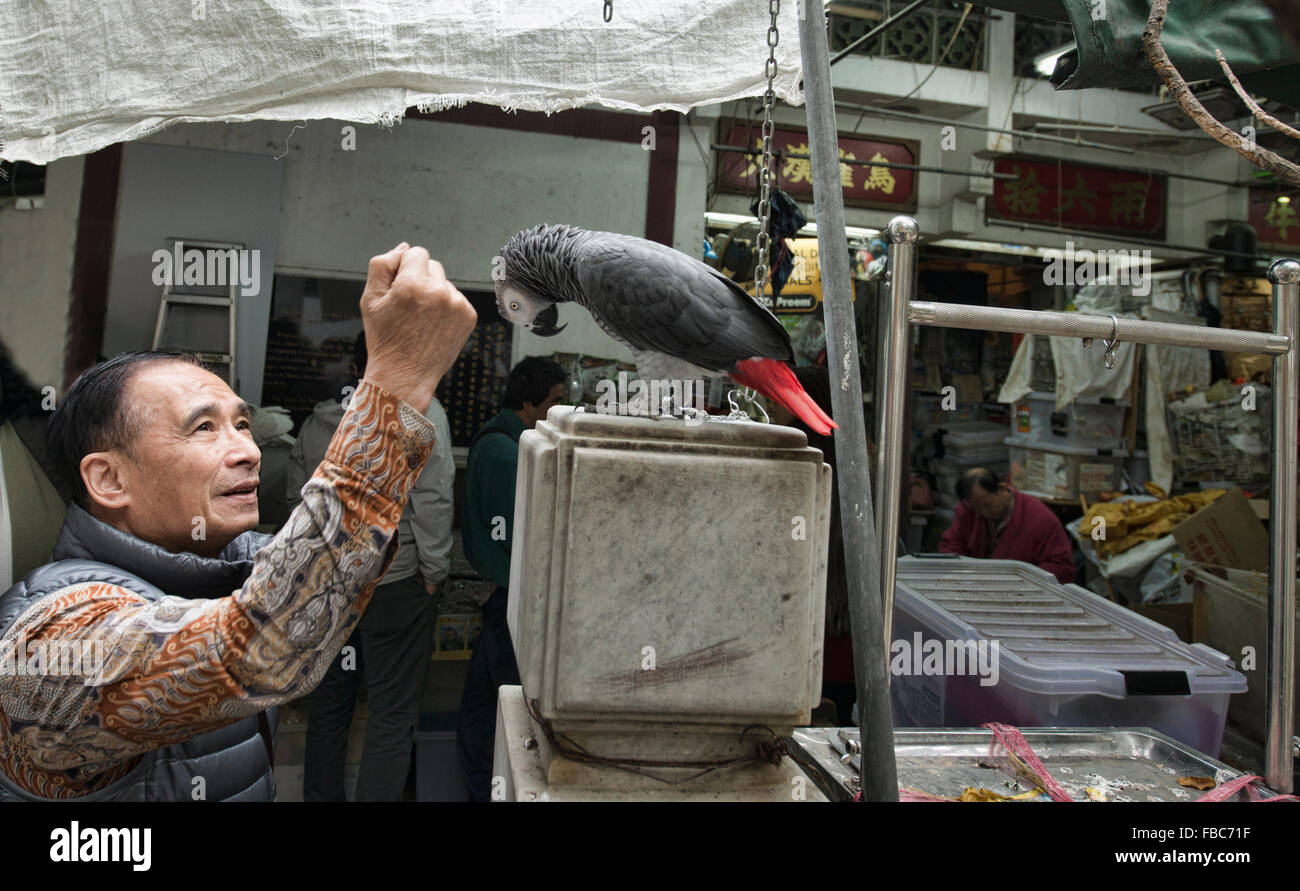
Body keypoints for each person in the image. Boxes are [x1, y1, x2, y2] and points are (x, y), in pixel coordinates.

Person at [0, 243, 477, 800]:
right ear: (109, 480)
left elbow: (310, 579)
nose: (248, 450)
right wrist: (395, 387)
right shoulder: (52, 640)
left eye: (243, 424)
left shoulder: (233, 568)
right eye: (203, 428)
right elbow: (257, 648)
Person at [291, 330, 456, 801]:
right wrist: (434, 572)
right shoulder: (423, 415)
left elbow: (296, 503)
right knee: (391, 715)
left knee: (328, 709)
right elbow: (432, 501)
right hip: (394, 582)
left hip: (327, 585)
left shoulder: (319, 421)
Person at [456, 356, 565, 801]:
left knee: (486, 703)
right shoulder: (505, 453)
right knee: (509, 710)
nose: (563, 408)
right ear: (529, 401)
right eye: (555, 400)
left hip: (503, 593)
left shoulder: (503, 440)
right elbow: (520, 536)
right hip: (508, 595)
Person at [939, 467, 1076, 584]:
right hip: (975, 584)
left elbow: (1060, 566)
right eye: (977, 508)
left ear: (1002, 488)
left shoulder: (1041, 519)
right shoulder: (968, 510)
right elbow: (952, 545)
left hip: (1022, 592)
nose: (984, 512)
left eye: (987, 505)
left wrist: (1022, 581)